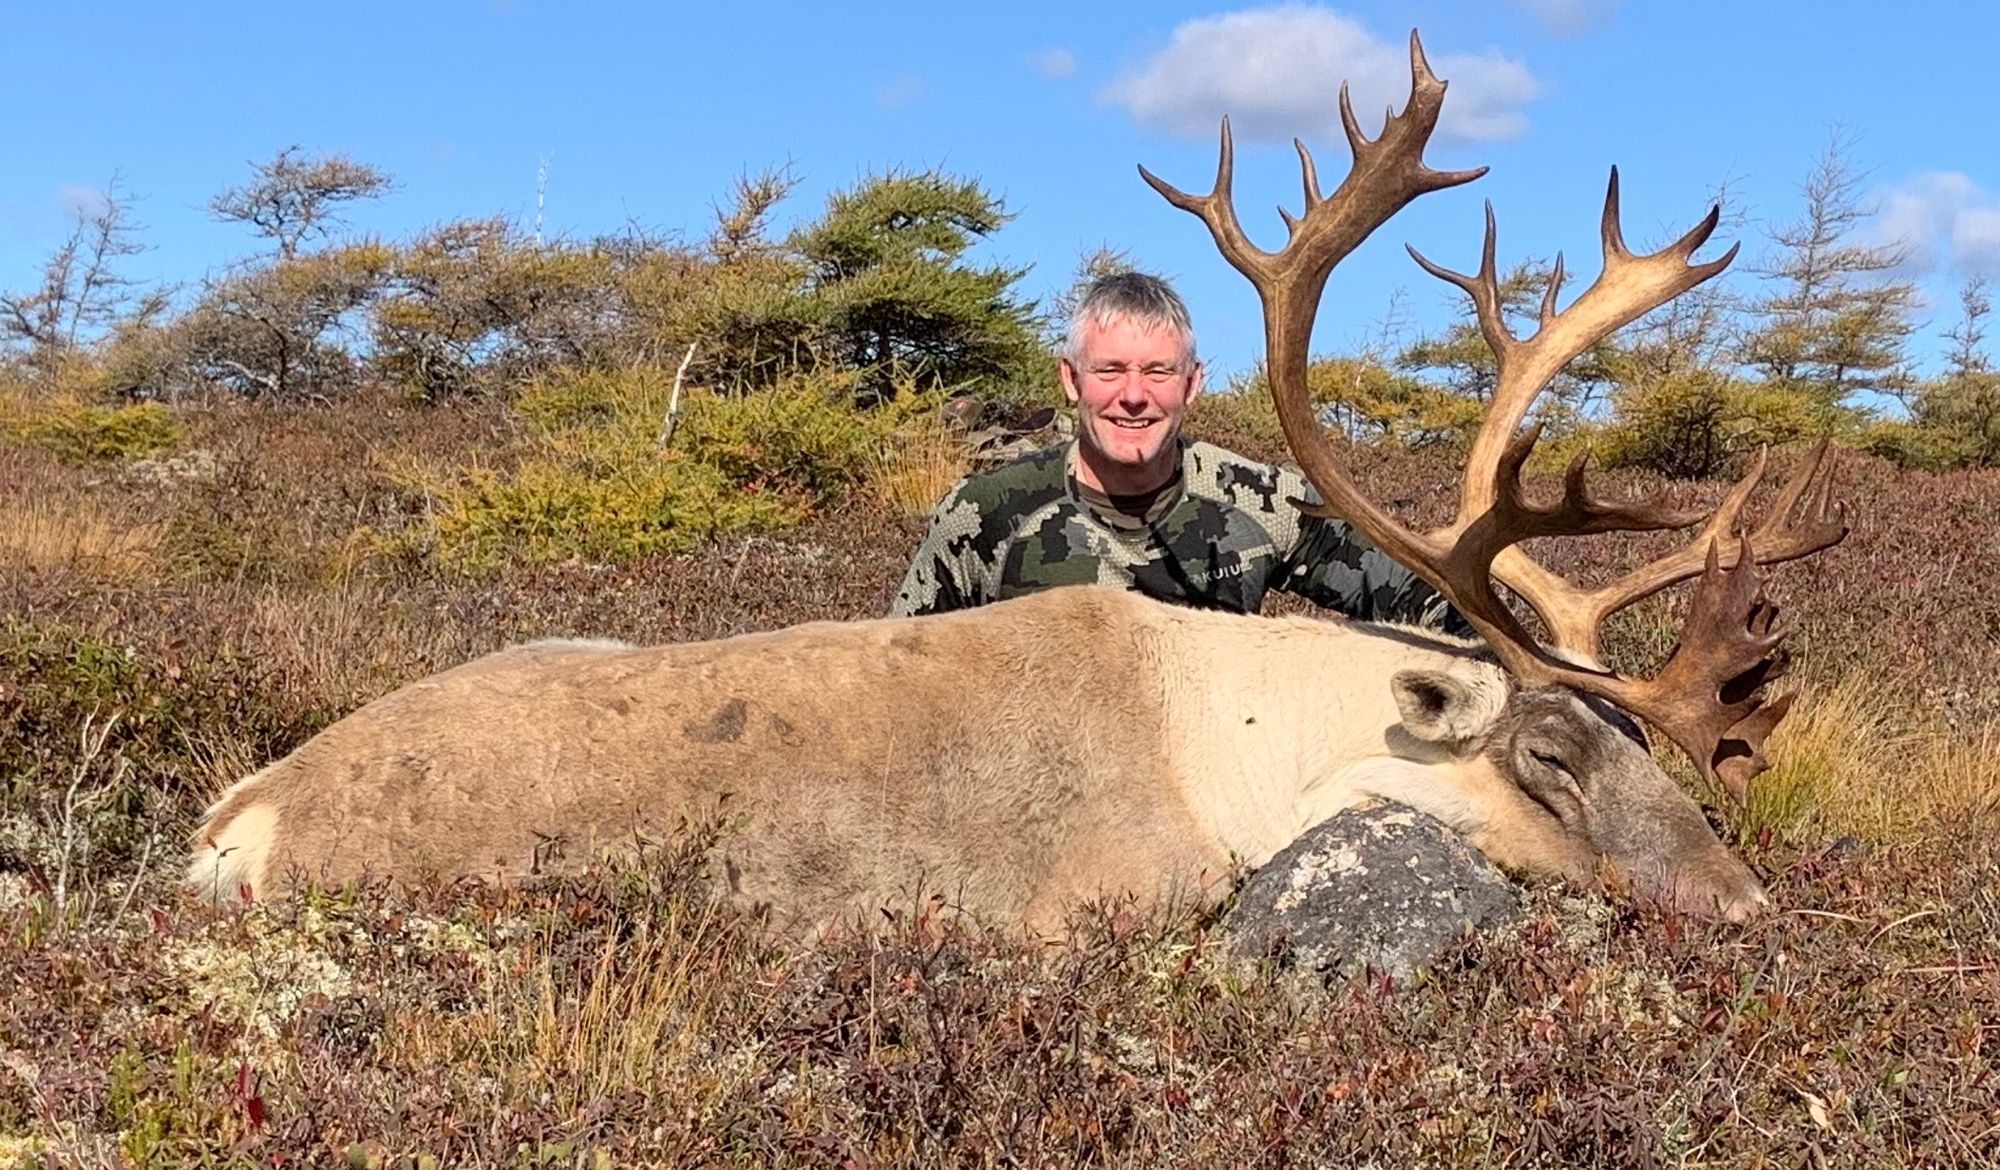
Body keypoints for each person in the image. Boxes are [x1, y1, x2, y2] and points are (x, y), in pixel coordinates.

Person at [889, 271, 1469, 634]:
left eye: (1159, 372)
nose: (1134, 396)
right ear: (1071, 380)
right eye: (1110, 370)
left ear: (1192, 383)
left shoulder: (1263, 500)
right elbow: (893, 667)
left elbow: (1430, 604)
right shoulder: (984, 512)